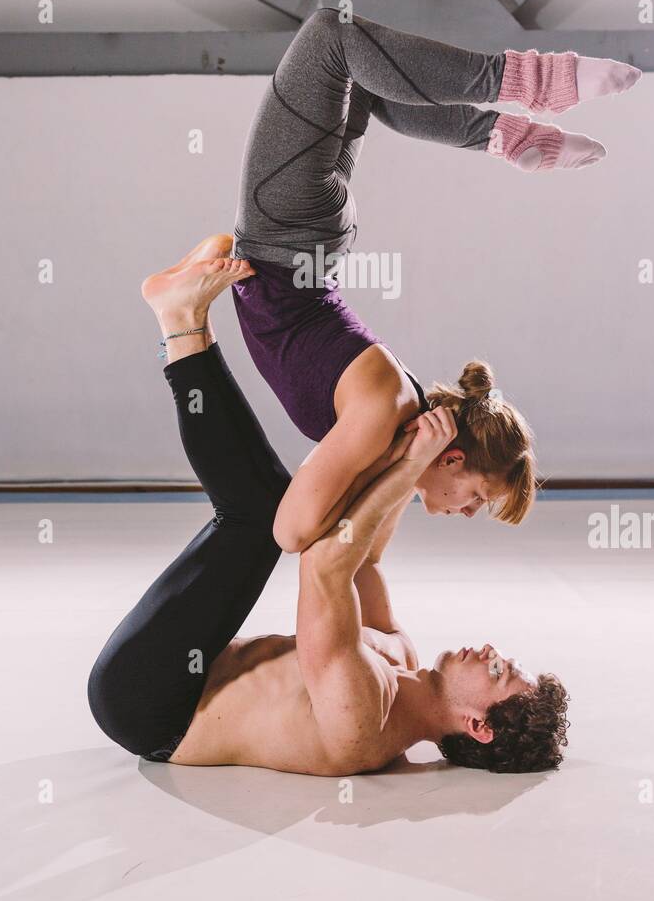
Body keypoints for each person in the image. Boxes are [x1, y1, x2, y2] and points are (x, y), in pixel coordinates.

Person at [87, 259, 570, 773]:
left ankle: (182, 324)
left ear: (479, 724)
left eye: (499, 670)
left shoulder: (365, 718)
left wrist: (409, 468)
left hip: (150, 703)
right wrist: (401, 446)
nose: (491, 649)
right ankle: (186, 326)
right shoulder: (401, 657)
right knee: (261, 510)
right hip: (188, 665)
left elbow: (324, 564)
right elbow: (366, 559)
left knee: (257, 518)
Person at [225, 7, 638, 553]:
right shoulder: (385, 417)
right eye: (477, 498)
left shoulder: (396, 435)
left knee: (363, 76)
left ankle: (508, 137)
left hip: (304, 242)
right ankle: (536, 83)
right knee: (333, 36)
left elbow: (352, 549)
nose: (467, 512)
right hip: (287, 230)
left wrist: (408, 471)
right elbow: (293, 532)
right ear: (454, 457)